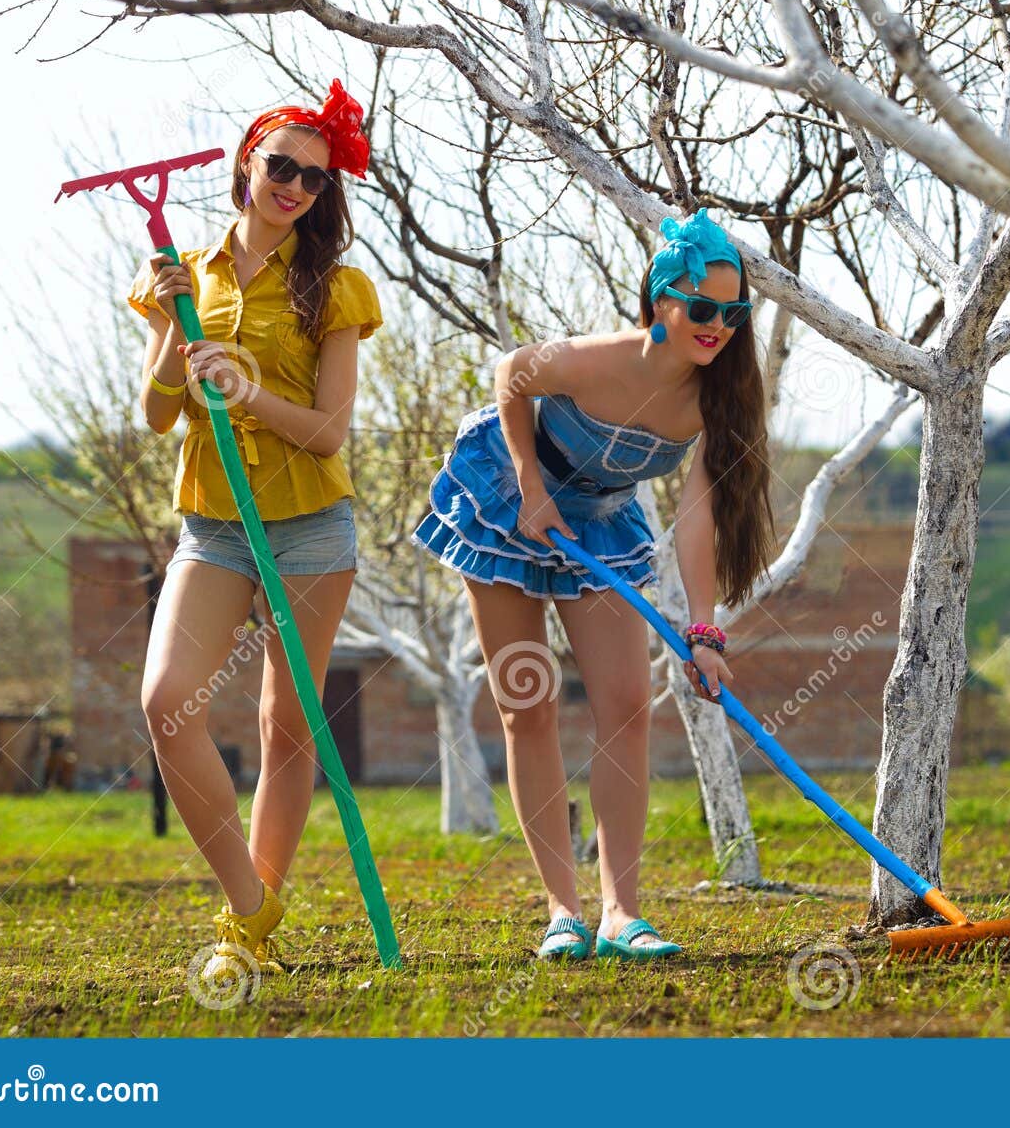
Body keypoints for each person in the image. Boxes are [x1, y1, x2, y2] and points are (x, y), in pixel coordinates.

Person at [412, 209, 775, 960]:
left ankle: (620, 912)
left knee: (627, 706)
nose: (718, 327)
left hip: (603, 523)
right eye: (702, 309)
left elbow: (699, 520)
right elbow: (511, 372)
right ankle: (561, 912)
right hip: (509, 500)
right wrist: (529, 481)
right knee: (528, 704)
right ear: (660, 302)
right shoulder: (595, 359)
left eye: (732, 314)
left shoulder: (714, 400)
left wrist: (704, 632)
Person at [125, 80, 382, 983]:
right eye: (282, 166)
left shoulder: (337, 287)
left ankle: (251, 935)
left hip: (311, 525)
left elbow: (329, 431)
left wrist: (249, 393)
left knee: (288, 724)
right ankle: (249, 897)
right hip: (214, 526)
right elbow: (159, 416)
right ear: (247, 162)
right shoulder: (184, 274)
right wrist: (169, 327)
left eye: (315, 179)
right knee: (167, 702)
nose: (296, 188)